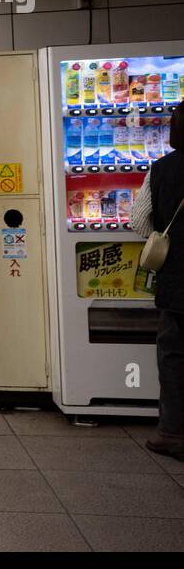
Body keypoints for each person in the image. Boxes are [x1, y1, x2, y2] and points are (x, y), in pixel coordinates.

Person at [129, 103, 184, 459]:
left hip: (177, 282)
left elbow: (139, 223)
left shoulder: (162, 168)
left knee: (175, 356)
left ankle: (173, 433)